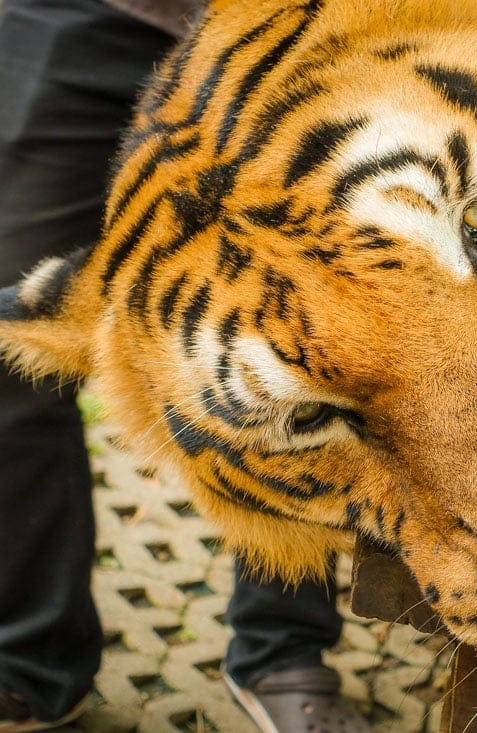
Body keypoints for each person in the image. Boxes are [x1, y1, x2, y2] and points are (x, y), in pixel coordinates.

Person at [0, 1, 372, 730]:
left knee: (305, 356)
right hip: (85, 14)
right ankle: (26, 659)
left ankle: (282, 647)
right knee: (8, 330)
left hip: (305, 29)